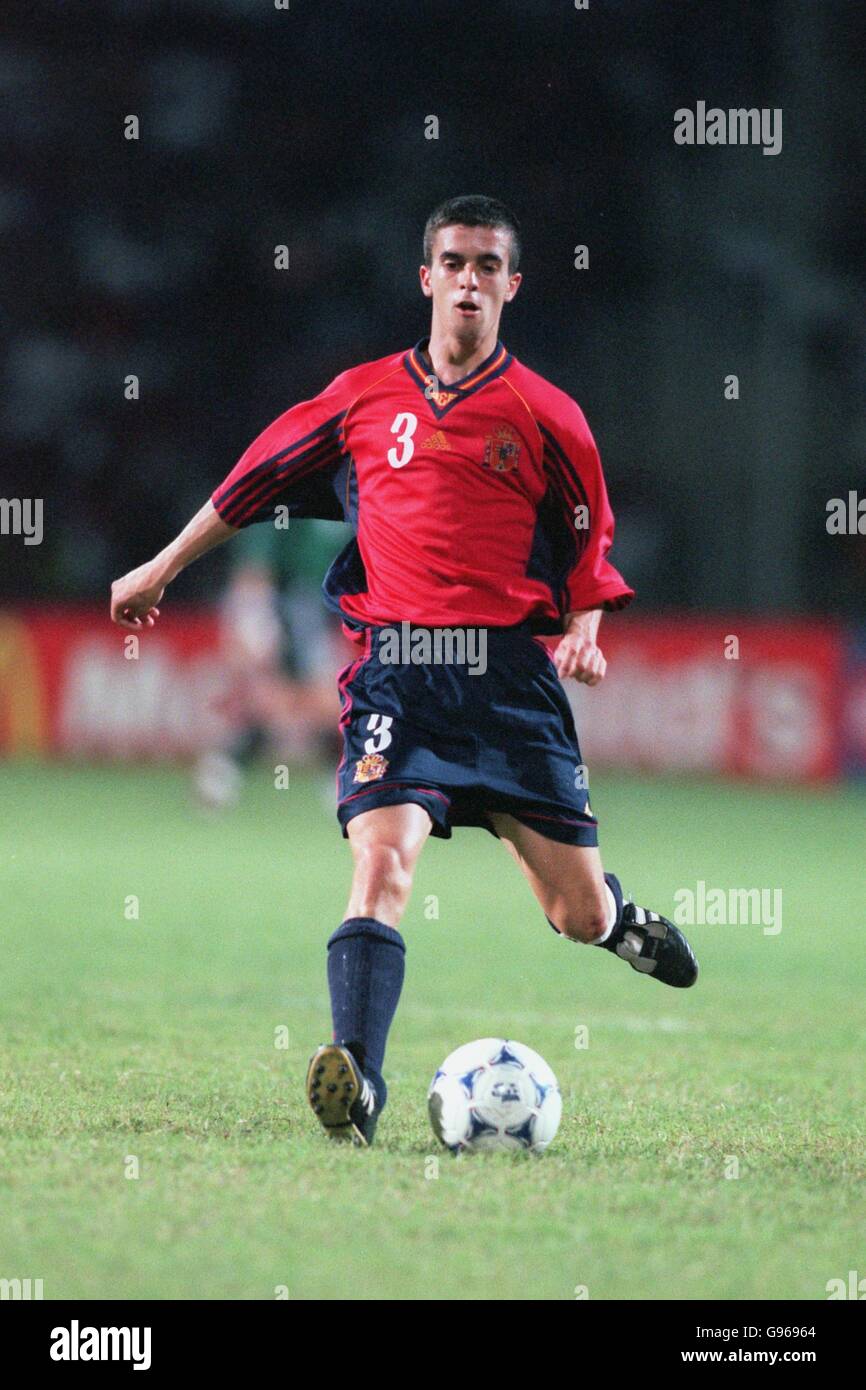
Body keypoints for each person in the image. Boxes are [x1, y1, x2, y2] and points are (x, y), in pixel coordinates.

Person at [110, 194, 698, 1148]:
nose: (470, 280)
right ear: (427, 278)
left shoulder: (551, 419)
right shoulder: (360, 399)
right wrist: (160, 568)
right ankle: (362, 1084)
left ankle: (623, 922)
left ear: (513, 284)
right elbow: (248, 486)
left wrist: (586, 628)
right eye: (454, 263)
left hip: (511, 688)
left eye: (487, 266)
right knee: (381, 865)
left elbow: (591, 548)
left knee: (574, 911)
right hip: (398, 677)